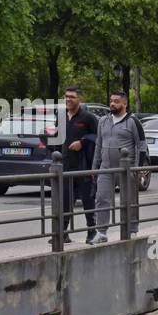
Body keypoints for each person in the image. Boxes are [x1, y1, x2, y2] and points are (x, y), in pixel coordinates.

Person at [91, 91, 145, 243]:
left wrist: (137, 169)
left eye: (116, 101)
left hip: (127, 169)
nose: (112, 104)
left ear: (124, 104)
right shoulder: (103, 121)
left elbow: (142, 146)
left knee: (129, 200)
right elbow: (98, 145)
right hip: (106, 167)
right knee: (101, 198)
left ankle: (132, 230)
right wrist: (95, 167)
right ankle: (101, 232)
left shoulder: (133, 122)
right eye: (111, 101)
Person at [59, 86, 100, 243]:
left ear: (80, 99)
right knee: (65, 199)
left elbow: (97, 136)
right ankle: (62, 232)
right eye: (66, 96)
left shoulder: (88, 118)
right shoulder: (61, 116)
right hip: (66, 164)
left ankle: (91, 231)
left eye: (72, 97)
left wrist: (82, 142)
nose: (68, 99)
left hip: (83, 165)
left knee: (87, 199)